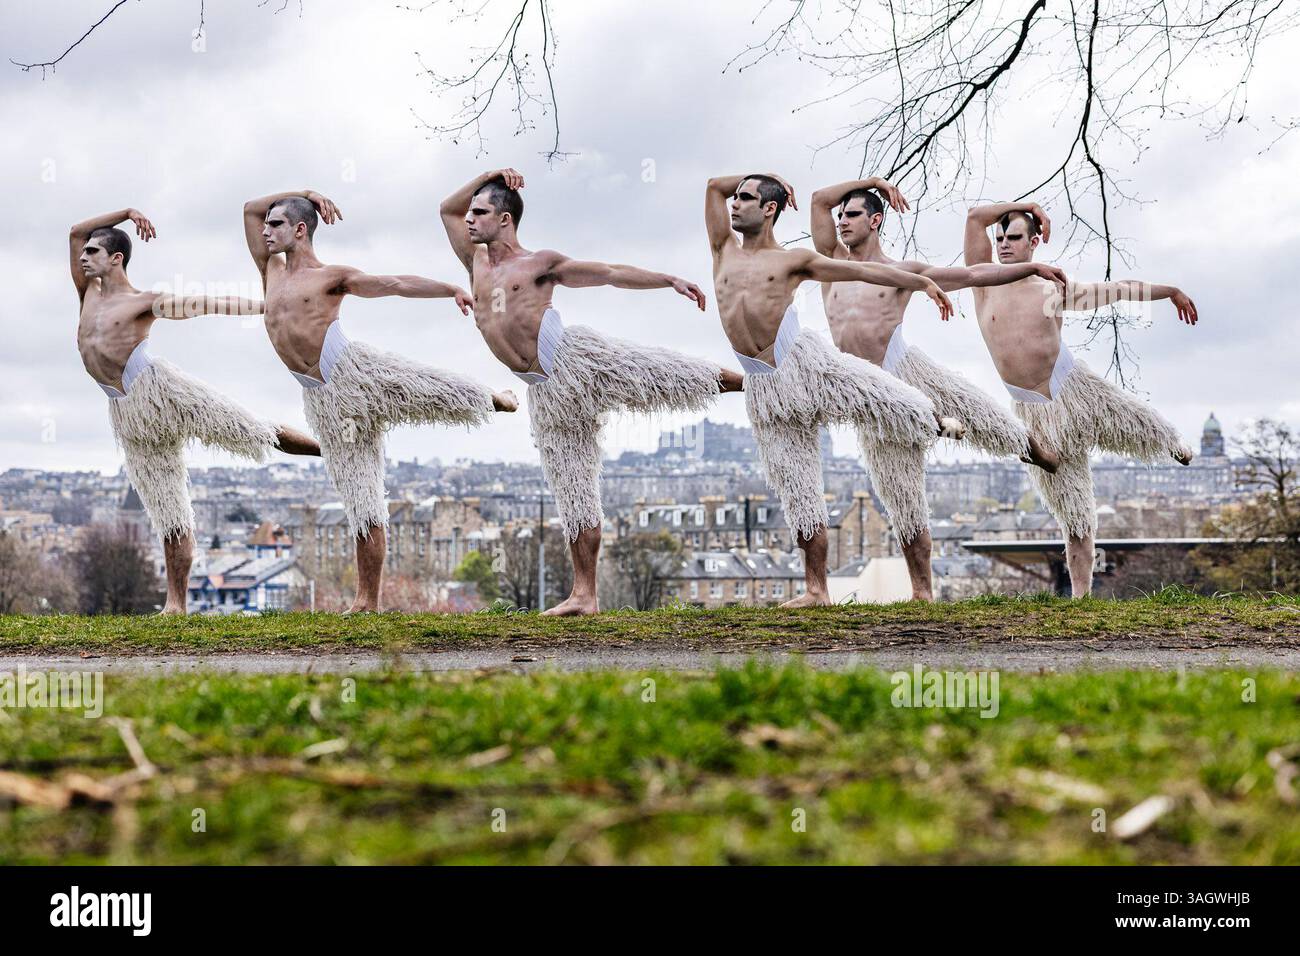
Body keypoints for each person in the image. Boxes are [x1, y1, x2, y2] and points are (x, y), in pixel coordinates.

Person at [440, 168, 744, 615]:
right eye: (471, 213)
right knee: (575, 495)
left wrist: (667, 279)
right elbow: (445, 209)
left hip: (577, 360)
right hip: (543, 390)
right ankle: (584, 595)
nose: (469, 219)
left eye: (480, 212)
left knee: (668, 373)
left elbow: (609, 272)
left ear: (505, 219)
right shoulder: (476, 263)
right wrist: (487, 175)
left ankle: (753, 382)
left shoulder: (538, 263)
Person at [243, 189, 517, 612]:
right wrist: (307, 193)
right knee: (362, 500)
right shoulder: (271, 272)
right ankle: (367, 600)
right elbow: (250, 208)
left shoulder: (330, 276)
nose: (265, 230)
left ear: (300, 231)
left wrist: (448, 290)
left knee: (429, 387)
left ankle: (495, 398)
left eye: (276, 224)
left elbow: (393, 284)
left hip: (356, 373)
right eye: (267, 225)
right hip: (323, 399)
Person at [706, 172, 963, 607]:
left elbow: (859, 268)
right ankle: (816, 591)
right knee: (799, 491)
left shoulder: (794, 259)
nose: (735, 204)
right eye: (737, 198)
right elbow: (714, 185)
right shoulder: (722, 249)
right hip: (765, 387)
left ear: (769, 210)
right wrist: (766, 177)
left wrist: (920, 282)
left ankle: (928, 418)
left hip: (803, 361)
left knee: (867, 388)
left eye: (746, 198)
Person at [810, 176, 1068, 600]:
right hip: (869, 396)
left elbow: (971, 274)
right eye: (840, 216)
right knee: (902, 499)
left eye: (852, 214)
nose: (841, 221)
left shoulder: (901, 271)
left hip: (905, 368)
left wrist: (1032, 267)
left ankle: (1032, 448)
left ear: (875, 221)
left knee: (979, 412)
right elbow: (820, 198)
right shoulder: (831, 264)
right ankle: (923, 592)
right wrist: (873, 181)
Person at [72, 207, 320, 615]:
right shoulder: (86, 295)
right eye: (83, 252)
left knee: (254, 430)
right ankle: (176, 604)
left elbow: (202, 303)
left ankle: (327, 450)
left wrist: (263, 307)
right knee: (171, 514)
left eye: (93, 251)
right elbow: (74, 230)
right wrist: (128, 213)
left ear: (116, 259)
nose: (83, 257)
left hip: (163, 390)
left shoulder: (141, 302)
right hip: (128, 416)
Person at [964, 200, 1198, 596]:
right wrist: (1027, 205)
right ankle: (1081, 596)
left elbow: (1120, 290)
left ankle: (1172, 443)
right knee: (1074, 512)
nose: (1003, 244)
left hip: (1075, 389)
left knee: (1139, 419)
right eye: (1000, 237)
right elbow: (974, 217)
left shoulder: (1051, 288)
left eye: (1014, 237)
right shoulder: (983, 283)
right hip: (1033, 412)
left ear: (1034, 242)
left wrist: (1170, 291)